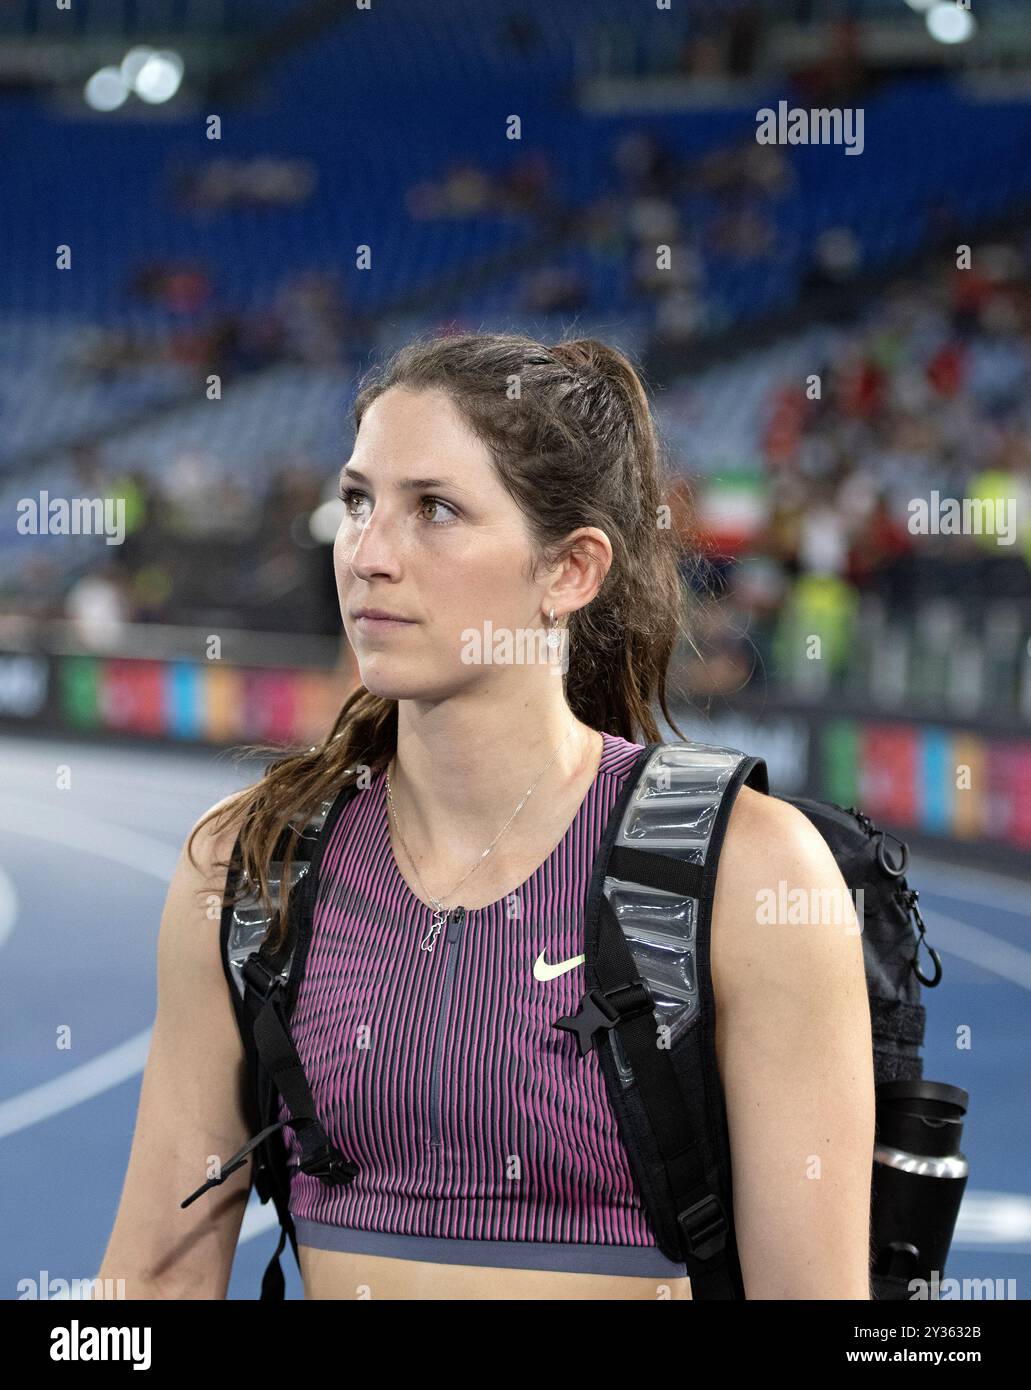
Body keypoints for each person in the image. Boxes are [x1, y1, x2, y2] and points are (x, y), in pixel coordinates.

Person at [96, 332, 874, 1300]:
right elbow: (149, 1290)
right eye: (354, 501)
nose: (367, 555)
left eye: (434, 509)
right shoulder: (247, 863)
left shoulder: (749, 873)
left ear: (569, 571)